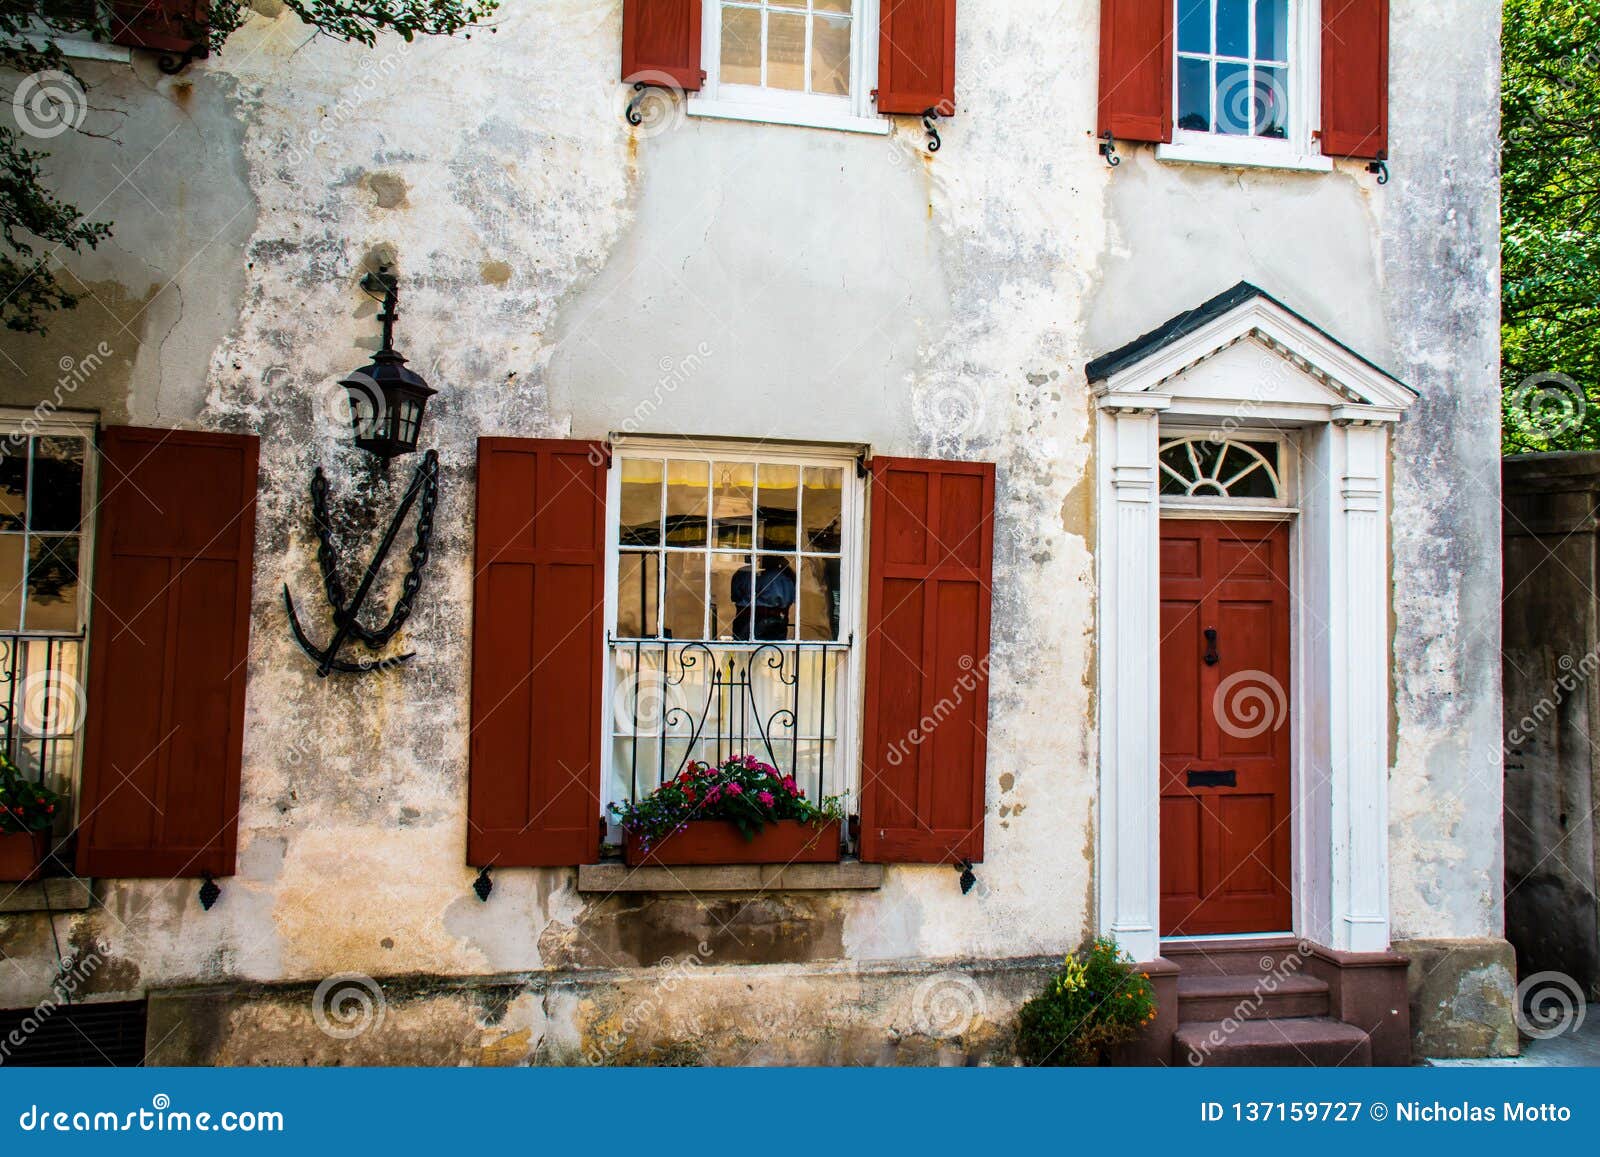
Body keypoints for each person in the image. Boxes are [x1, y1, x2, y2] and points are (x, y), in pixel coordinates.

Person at [730, 556, 796, 641]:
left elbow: (735, 596)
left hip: (746, 618)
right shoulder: (785, 576)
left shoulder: (743, 573)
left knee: (743, 649)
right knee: (775, 650)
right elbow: (789, 600)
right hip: (777, 619)